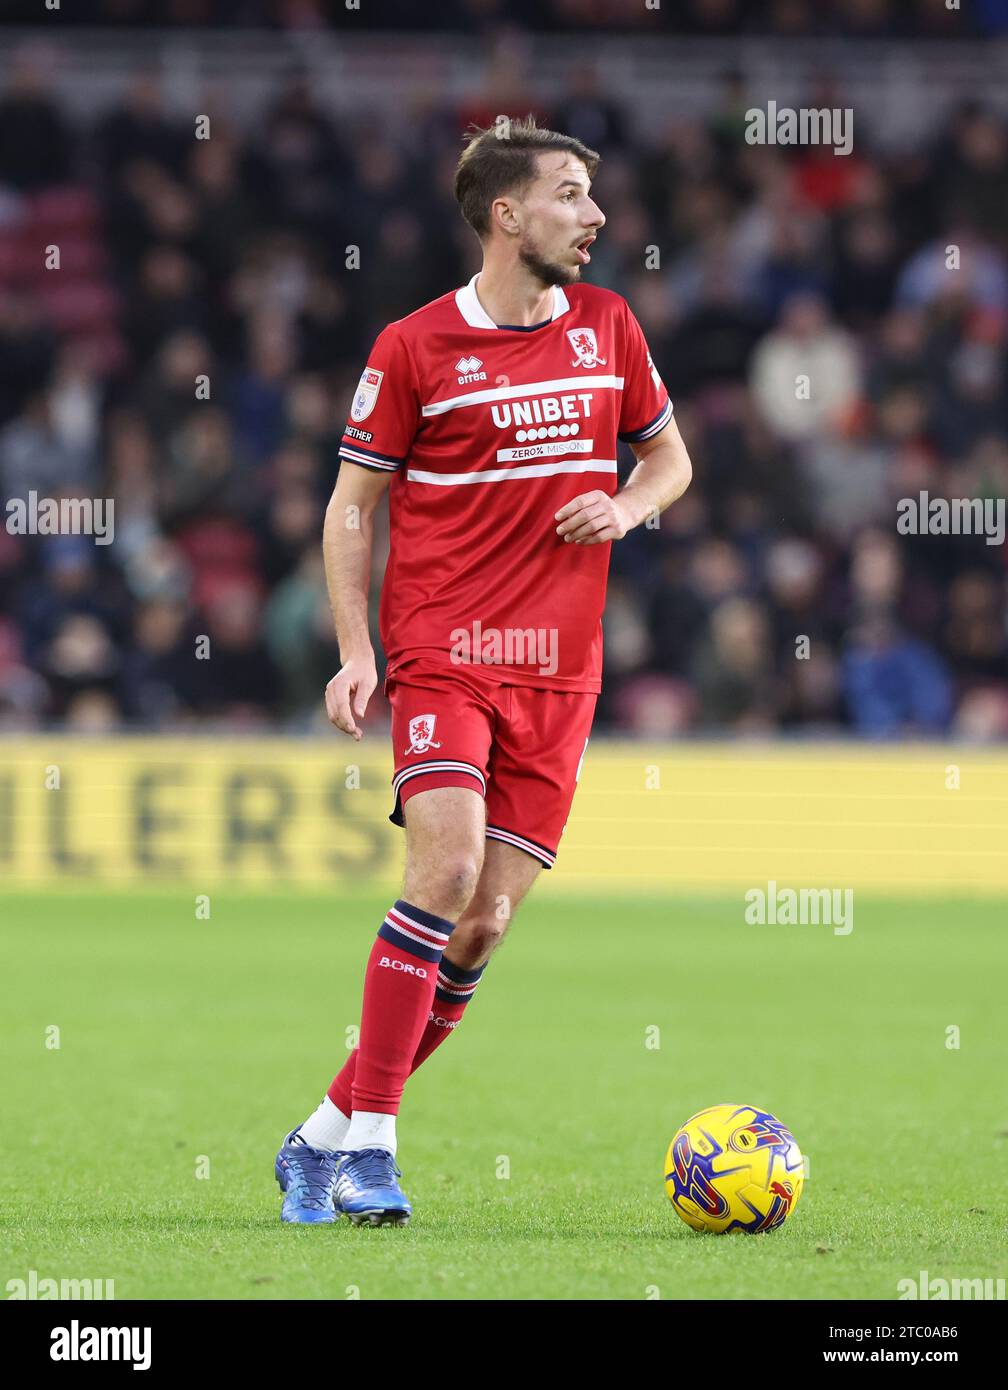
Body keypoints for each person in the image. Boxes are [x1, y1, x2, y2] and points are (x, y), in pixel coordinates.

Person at [274, 117, 693, 1225]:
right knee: (446, 873)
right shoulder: (412, 348)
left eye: (592, 196)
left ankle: (320, 1133)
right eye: (570, 194)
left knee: (483, 927)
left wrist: (631, 504)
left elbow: (670, 458)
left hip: (561, 672)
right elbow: (352, 508)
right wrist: (358, 650)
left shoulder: (609, 326)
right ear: (507, 215)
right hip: (445, 652)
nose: (595, 215)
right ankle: (373, 1147)